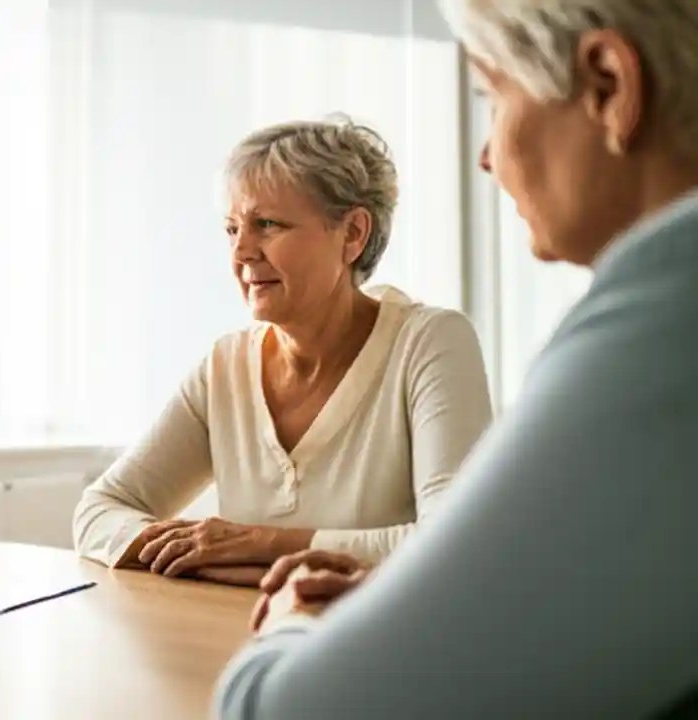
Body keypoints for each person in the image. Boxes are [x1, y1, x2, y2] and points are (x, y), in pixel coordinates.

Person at [217, 1, 698, 717]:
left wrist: (294, 618)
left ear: (608, 85)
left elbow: (282, 710)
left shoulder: (661, 329)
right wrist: (419, 612)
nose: (486, 156)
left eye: (493, 98)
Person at [73, 119, 493, 586]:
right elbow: (99, 510)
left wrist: (262, 544)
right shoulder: (225, 367)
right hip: (248, 626)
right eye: (232, 229)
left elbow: (456, 541)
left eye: (267, 224)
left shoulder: (431, 342)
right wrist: (202, 556)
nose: (242, 252)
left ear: (353, 234)